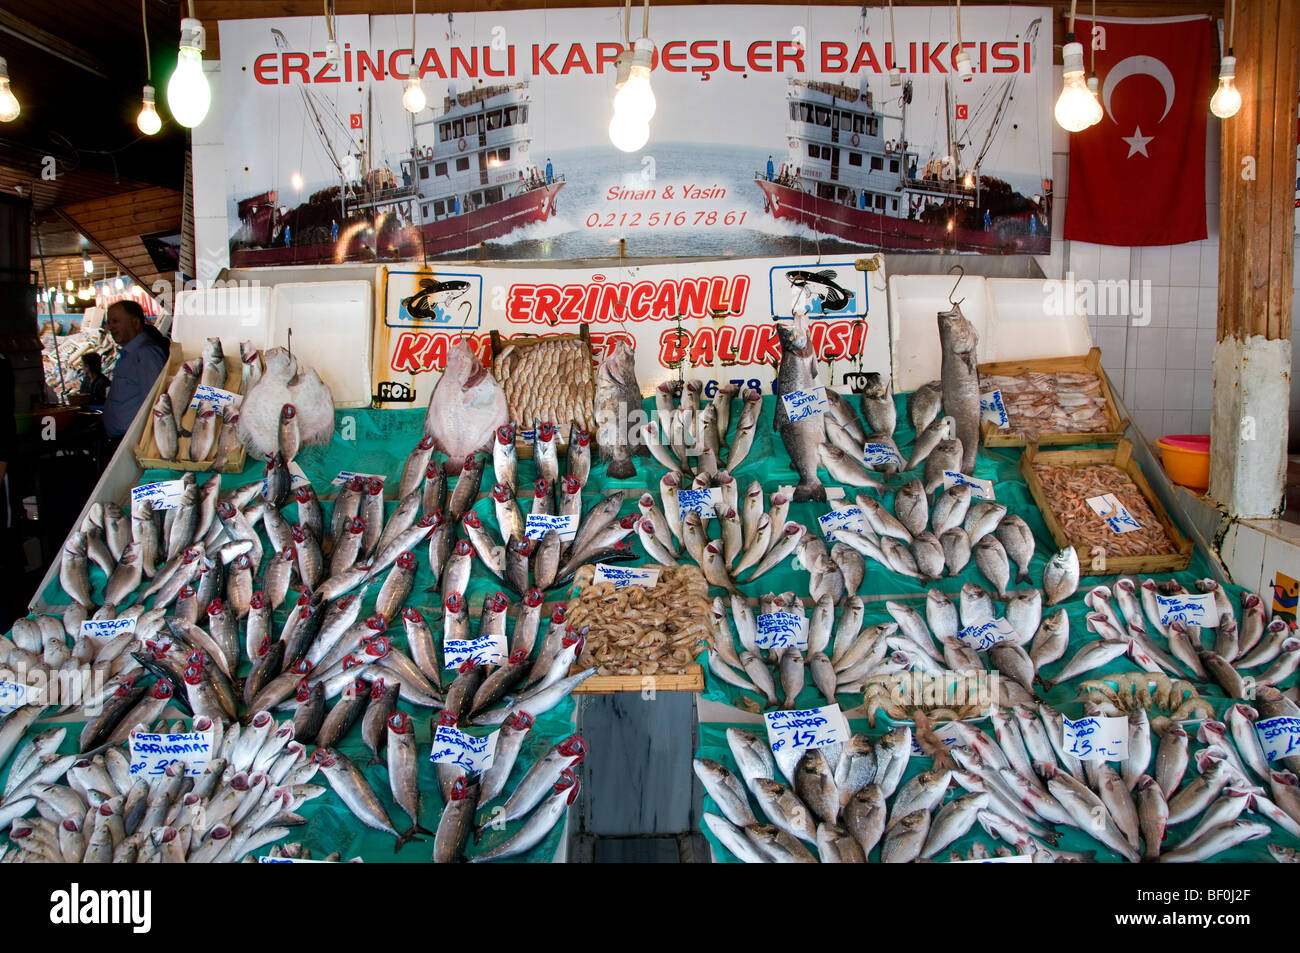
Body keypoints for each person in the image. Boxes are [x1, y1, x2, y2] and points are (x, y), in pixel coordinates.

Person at [103, 300, 168, 448]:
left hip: (135, 443)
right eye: (109, 322)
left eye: (116, 321)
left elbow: (155, 401)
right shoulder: (129, 354)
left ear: (136, 323)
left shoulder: (146, 354)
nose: (110, 327)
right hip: (123, 442)